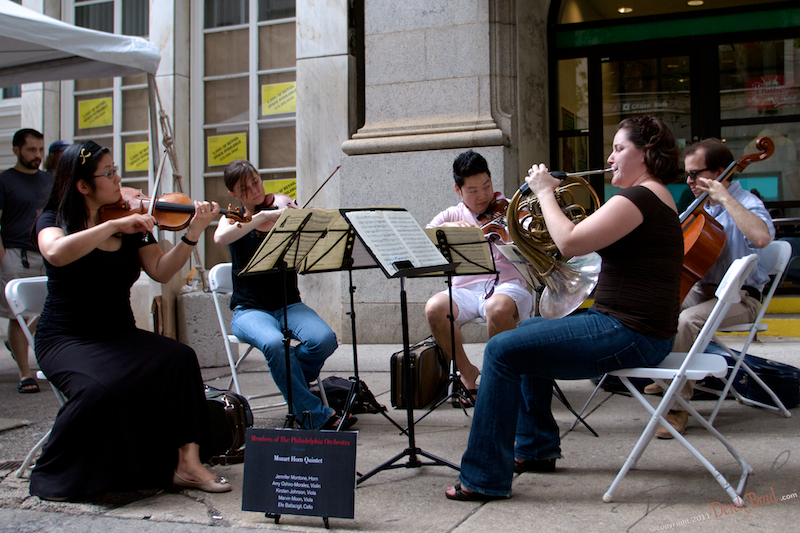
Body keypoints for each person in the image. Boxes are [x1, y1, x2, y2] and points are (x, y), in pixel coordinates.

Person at [445, 115, 684, 501]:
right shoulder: (649, 196)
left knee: (501, 350)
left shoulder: (638, 197)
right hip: (631, 327)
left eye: (620, 149)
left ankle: (484, 476)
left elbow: (570, 242)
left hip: (630, 331)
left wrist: (543, 193)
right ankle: (535, 447)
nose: (610, 157)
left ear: (648, 154)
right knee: (525, 334)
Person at [30, 141, 229, 500]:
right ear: (83, 185)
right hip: (66, 338)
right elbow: (56, 253)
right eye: (109, 173)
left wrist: (192, 235)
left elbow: (161, 271)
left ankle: (188, 463)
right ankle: (63, 470)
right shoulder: (56, 221)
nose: (119, 179)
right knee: (101, 390)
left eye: (115, 169)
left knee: (178, 358)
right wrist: (116, 225)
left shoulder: (130, 222)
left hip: (118, 333)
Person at [645, 138, 774, 439]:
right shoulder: (699, 207)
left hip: (741, 297)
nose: (689, 181)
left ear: (721, 172)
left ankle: (676, 408)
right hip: (704, 289)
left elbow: (762, 238)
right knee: (657, 304)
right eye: (687, 174)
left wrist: (726, 198)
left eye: (696, 174)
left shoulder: (748, 204)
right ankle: (666, 372)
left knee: (689, 321)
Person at [212, 160, 349, 430]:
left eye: (256, 181)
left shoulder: (283, 205)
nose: (254, 190)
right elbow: (220, 239)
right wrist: (262, 217)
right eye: (244, 188)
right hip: (249, 310)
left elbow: (311, 228)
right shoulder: (234, 217)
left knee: (324, 340)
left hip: (289, 303)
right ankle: (315, 415)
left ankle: (291, 379)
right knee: (275, 344)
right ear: (234, 194)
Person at [424, 150, 533, 405]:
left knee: (497, 308)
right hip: (466, 290)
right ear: (458, 190)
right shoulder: (450, 215)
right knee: (434, 308)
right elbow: (425, 237)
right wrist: (449, 229)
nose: (483, 195)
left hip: (508, 286)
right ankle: (467, 372)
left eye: (487, 186)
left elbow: (532, 232)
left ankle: (499, 380)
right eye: (473, 190)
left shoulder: (510, 208)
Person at [0, 128, 52, 394]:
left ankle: (20, 345)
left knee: (46, 311)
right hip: (15, 254)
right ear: (16, 150)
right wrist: (2, 254)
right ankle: (24, 373)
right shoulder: (5, 180)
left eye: (41, 149)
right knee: (17, 314)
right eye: (32, 150)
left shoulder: (49, 180)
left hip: (47, 254)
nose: (38, 155)